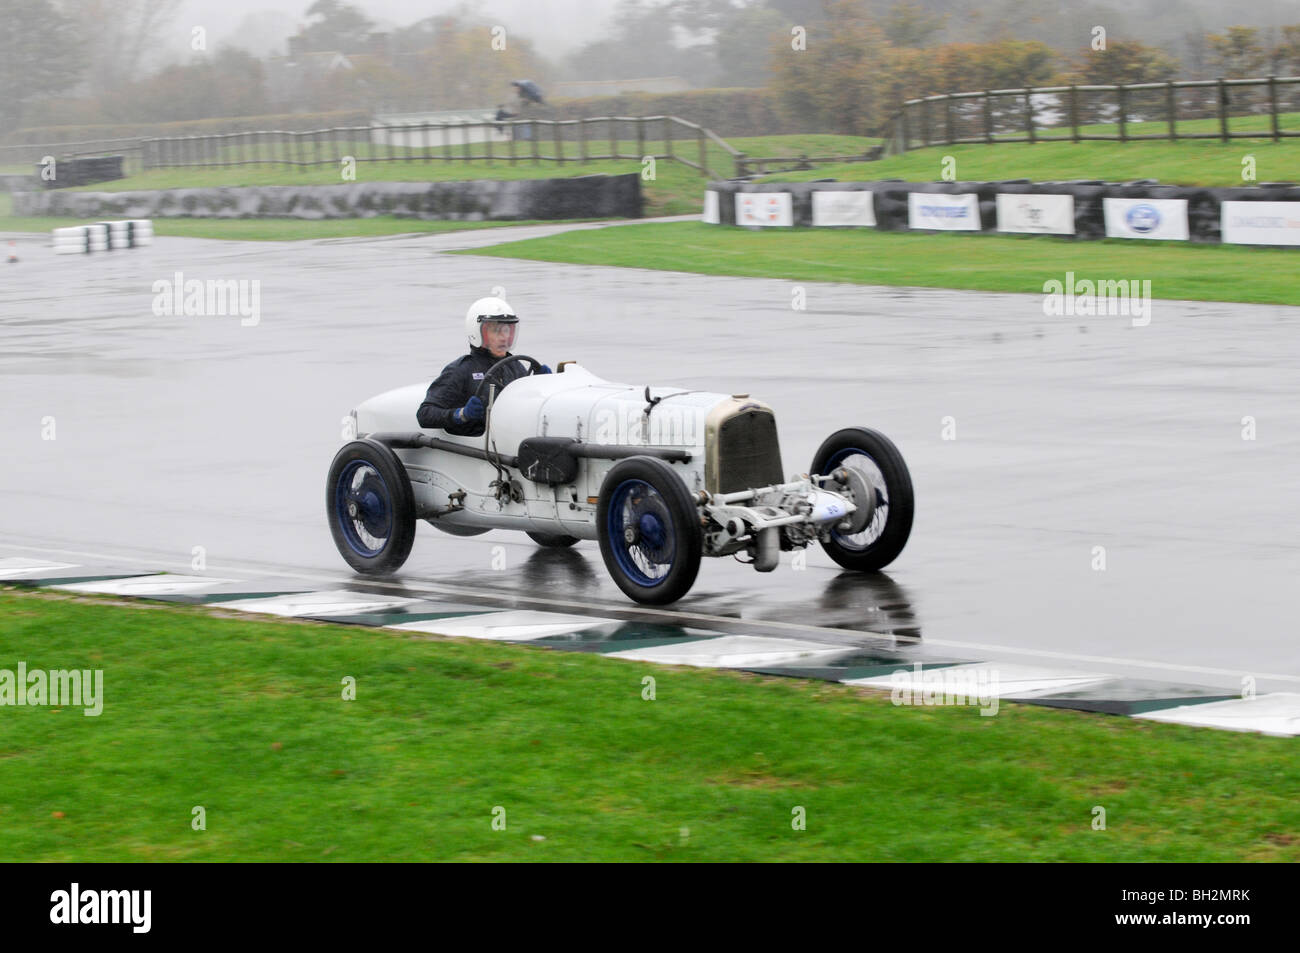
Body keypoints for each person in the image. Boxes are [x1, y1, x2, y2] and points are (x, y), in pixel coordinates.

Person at [416, 297, 549, 436]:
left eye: (507, 330)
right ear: (478, 332)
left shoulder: (515, 366)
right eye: (496, 331)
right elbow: (425, 414)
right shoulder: (461, 370)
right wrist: (461, 414)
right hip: (477, 444)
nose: (504, 337)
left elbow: (524, 408)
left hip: (509, 437)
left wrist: (541, 385)